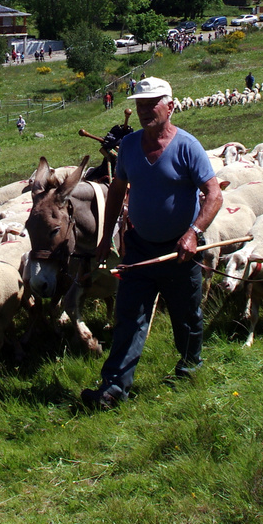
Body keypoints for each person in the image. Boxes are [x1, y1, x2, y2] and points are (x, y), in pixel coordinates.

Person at [80, 78, 222, 409]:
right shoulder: (129, 146)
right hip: (139, 247)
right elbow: (117, 190)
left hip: (179, 252)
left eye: (151, 104)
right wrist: (106, 237)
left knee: (187, 317)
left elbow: (214, 195)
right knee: (129, 317)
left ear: (170, 106)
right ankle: (113, 388)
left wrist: (193, 233)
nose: (144, 111)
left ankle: (190, 368)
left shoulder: (187, 146)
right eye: (140, 105)